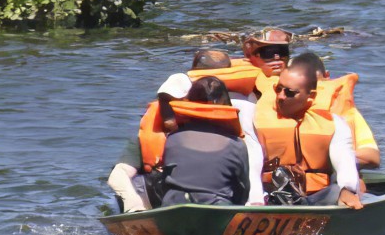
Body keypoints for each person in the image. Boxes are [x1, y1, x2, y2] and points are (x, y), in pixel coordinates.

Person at [254, 53, 364, 208]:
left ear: (310, 95)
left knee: (337, 191)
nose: (281, 96)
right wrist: (255, 199)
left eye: (290, 92)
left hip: (316, 197)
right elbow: (252, 163)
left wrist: (347, 189)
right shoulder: (255, 120)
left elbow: (344, 160)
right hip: (269, 196)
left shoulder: (334, 124)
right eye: (278, 89)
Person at [144, 76, 265, 208]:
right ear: (226, 105)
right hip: (218, 208)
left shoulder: (172, 139)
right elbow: (242, 192)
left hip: (174, 206)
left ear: (189, 104)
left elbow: (166, 183)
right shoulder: (237, 145)